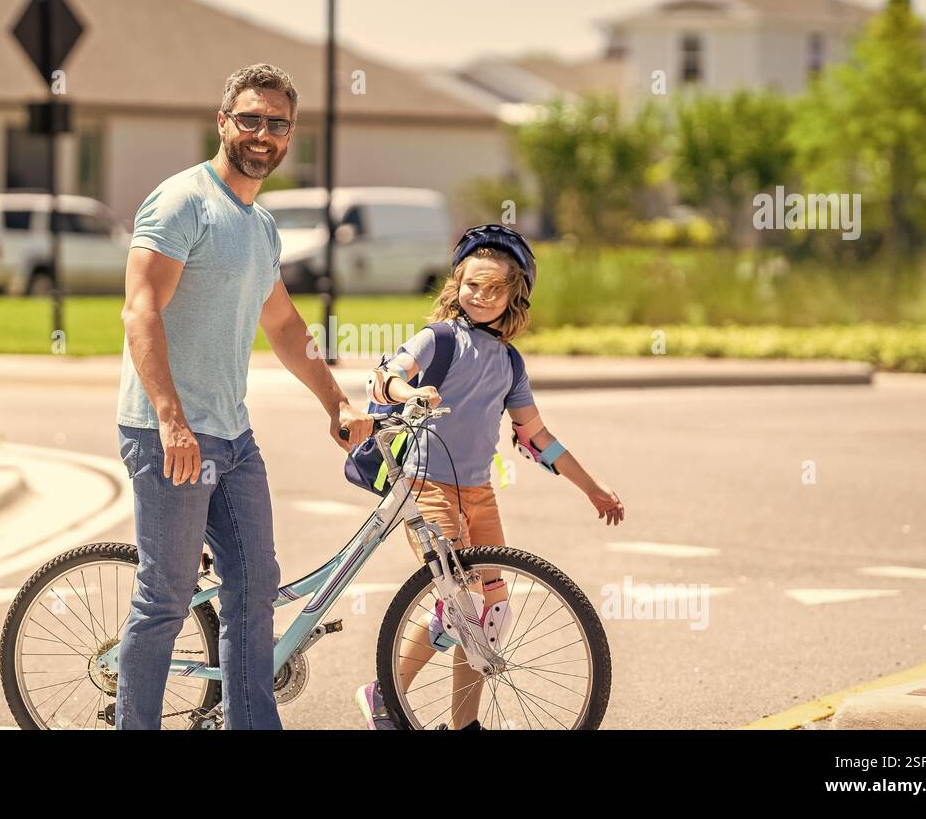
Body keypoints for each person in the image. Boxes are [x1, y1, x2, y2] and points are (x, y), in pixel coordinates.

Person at [115, 63, 373, 730]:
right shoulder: (181, 202)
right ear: (223, 121)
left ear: (290, 134)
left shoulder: (259, 227)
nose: (263, 134)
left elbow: (284, 326)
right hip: (166, 431)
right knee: (166, 596)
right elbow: (140, 312)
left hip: (232, 435)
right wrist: (172, 420)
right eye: (251, 119)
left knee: (254, 589)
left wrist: (335, 402)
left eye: (277, 123)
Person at [354, 224, 625, 730]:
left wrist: (591, 488)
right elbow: (383, 376)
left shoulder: (508, 362)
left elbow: (537, 436)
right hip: (426, 486)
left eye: (494, 288)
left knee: (491, 613)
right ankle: (384, 695)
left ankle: (464, 725)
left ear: (514, 295)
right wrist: (407, 392)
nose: (480, 296)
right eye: (471, 285)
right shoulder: (439, 339)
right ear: (456, 287)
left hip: (478, 493)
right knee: (461, 601)